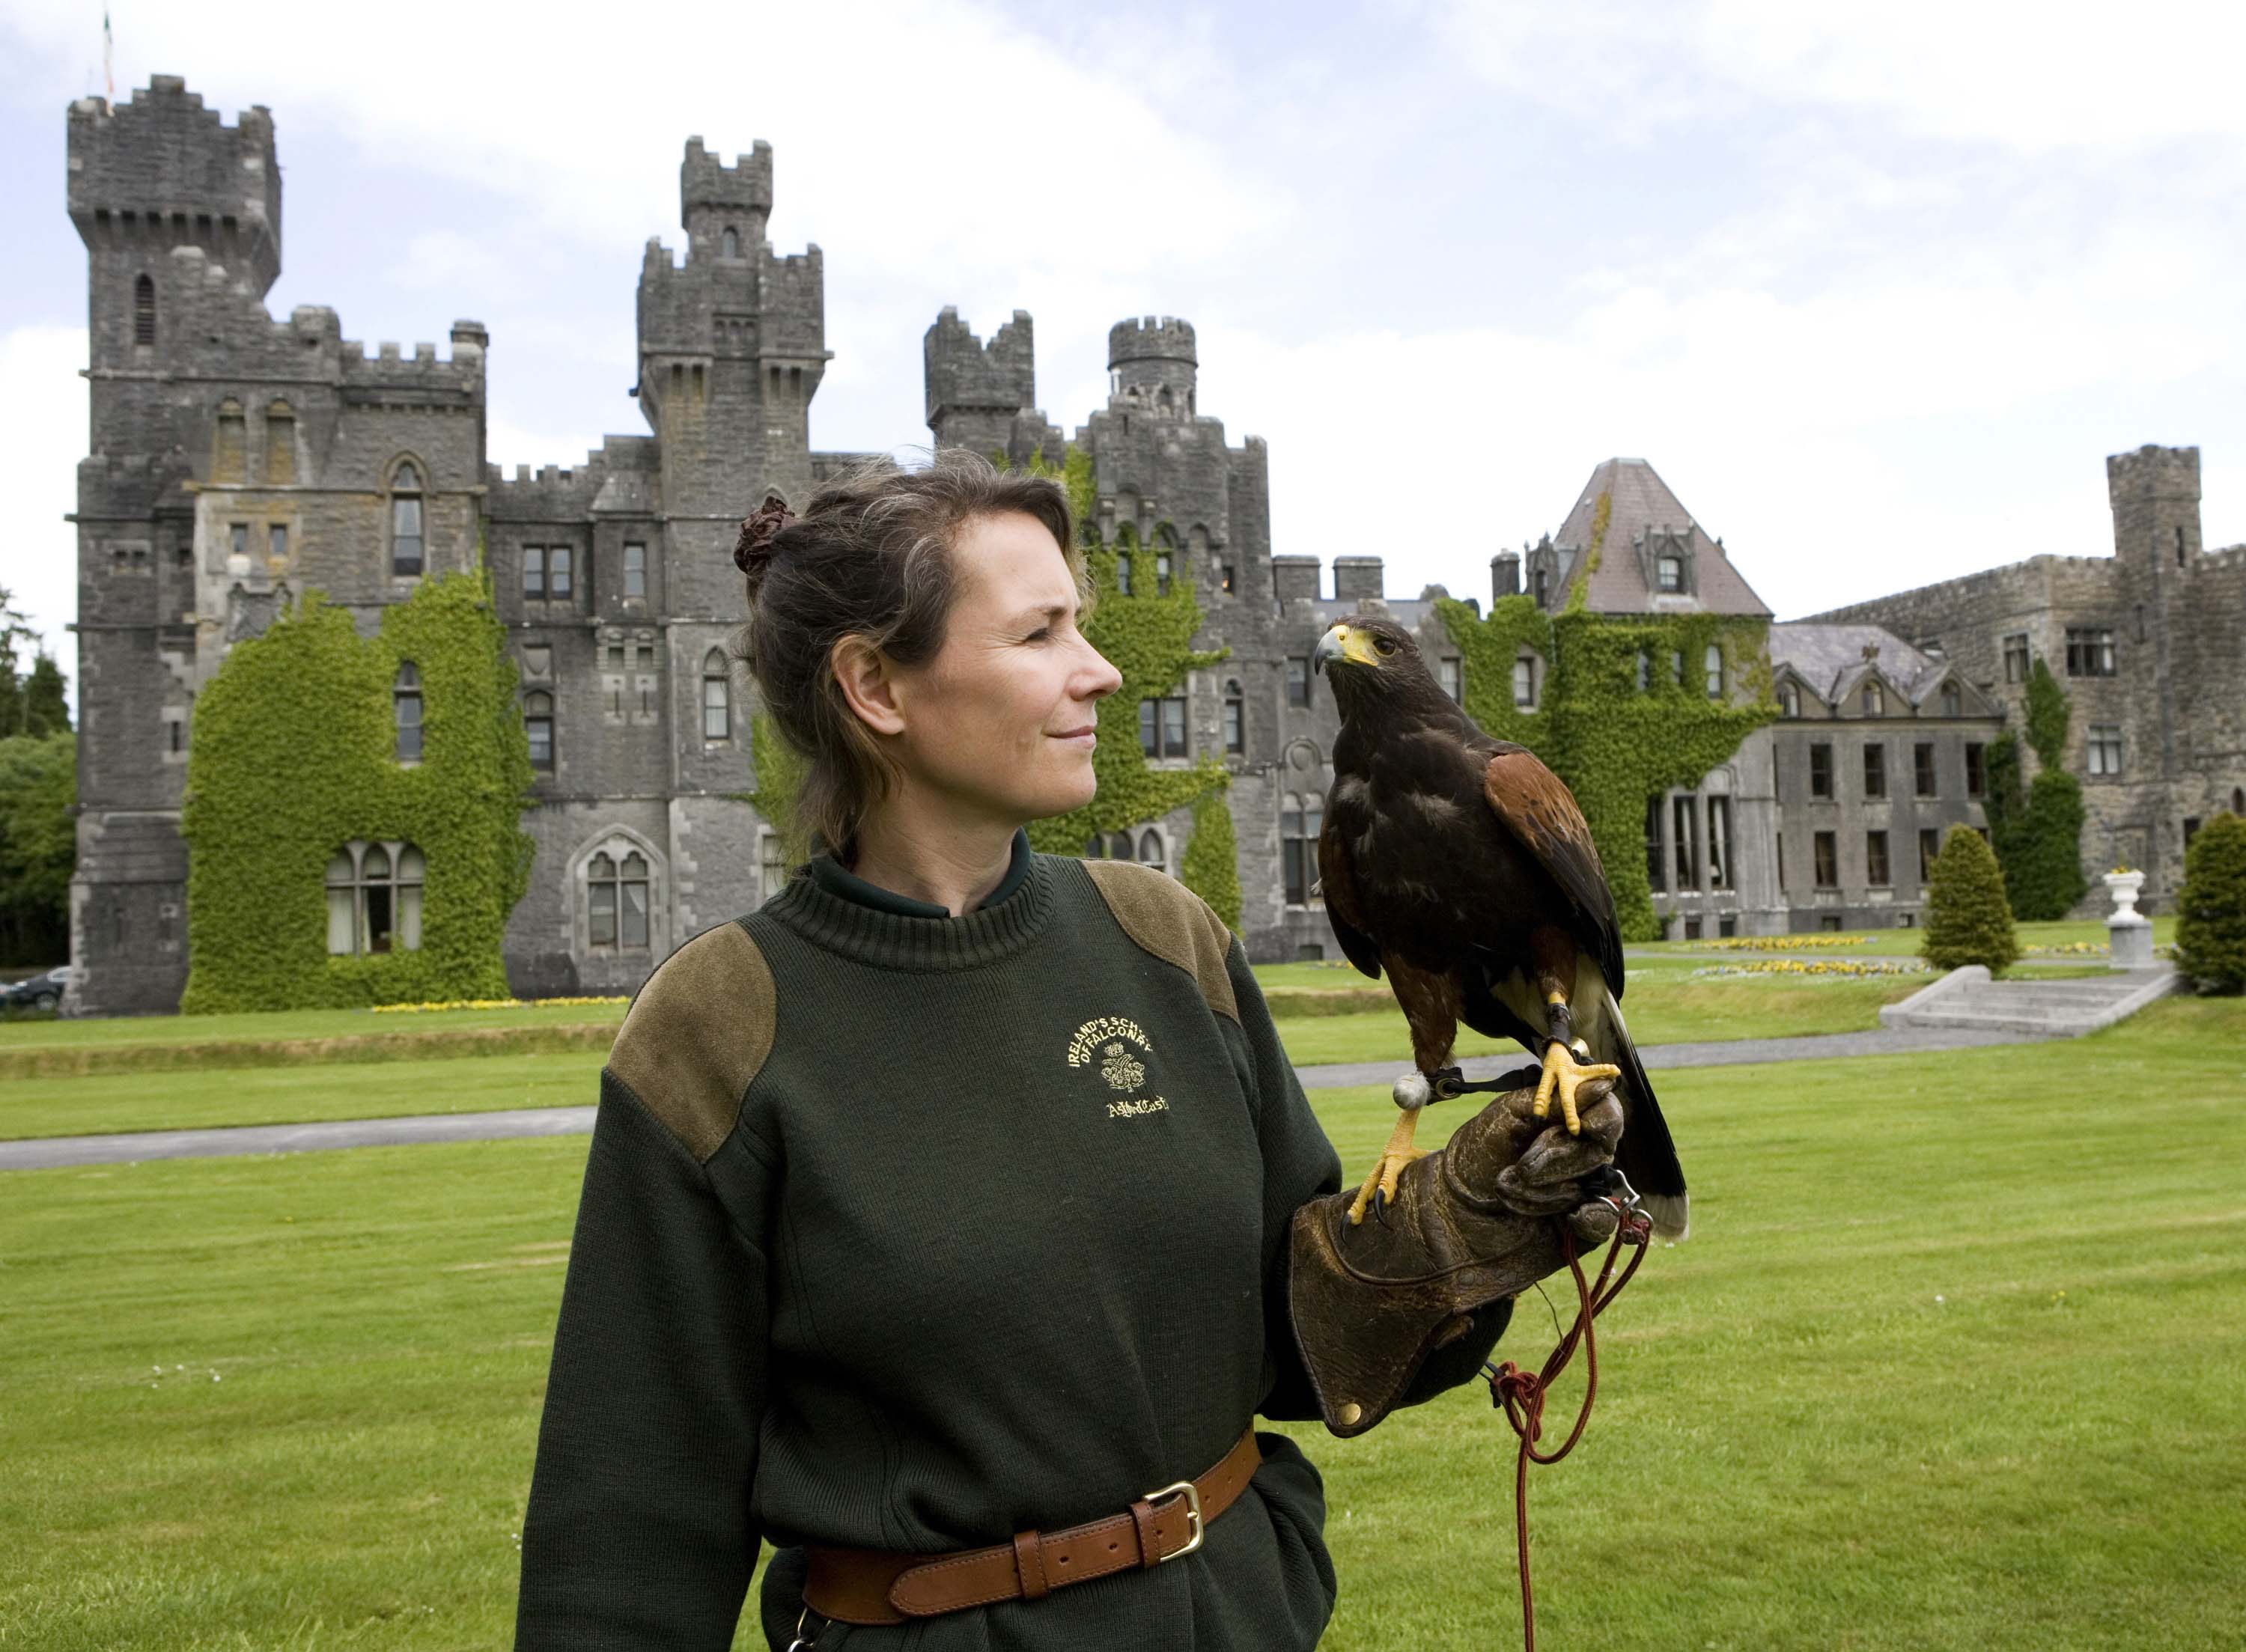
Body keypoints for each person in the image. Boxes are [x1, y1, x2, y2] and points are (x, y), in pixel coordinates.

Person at [512, 451, 1628, 1651]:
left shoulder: (1164, 940)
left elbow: (1303, 1330)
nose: (1099, 672)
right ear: (876, 686)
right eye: (1041, 634)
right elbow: (625, 1538)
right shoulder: (723, 1023)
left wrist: (1460, 1233)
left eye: (1081, 626)